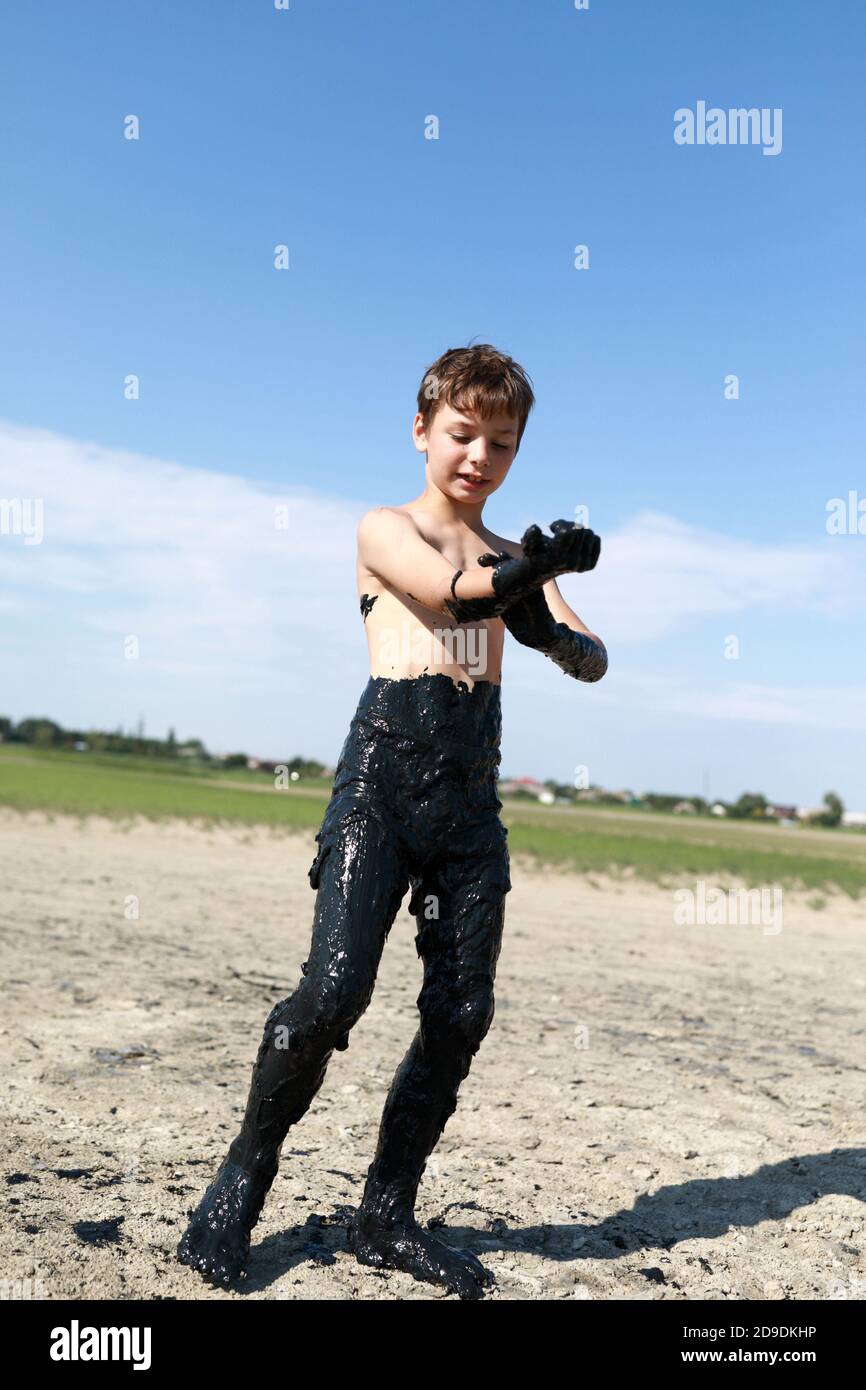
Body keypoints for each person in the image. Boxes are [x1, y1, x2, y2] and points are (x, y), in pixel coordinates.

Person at [176, 343, 608, 1299]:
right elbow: (448, 595)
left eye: (501, 443)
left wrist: (547, 610)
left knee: (461, 1015)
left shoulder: (513, 560)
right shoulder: (384, 528)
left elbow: (590, 656)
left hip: (470, 798)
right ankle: (240, 1183)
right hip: (382, 778)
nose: (478, 457)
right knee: (332, 995)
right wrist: (518, 584)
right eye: (462, 434)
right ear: (422, 430)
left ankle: (387, 1214)